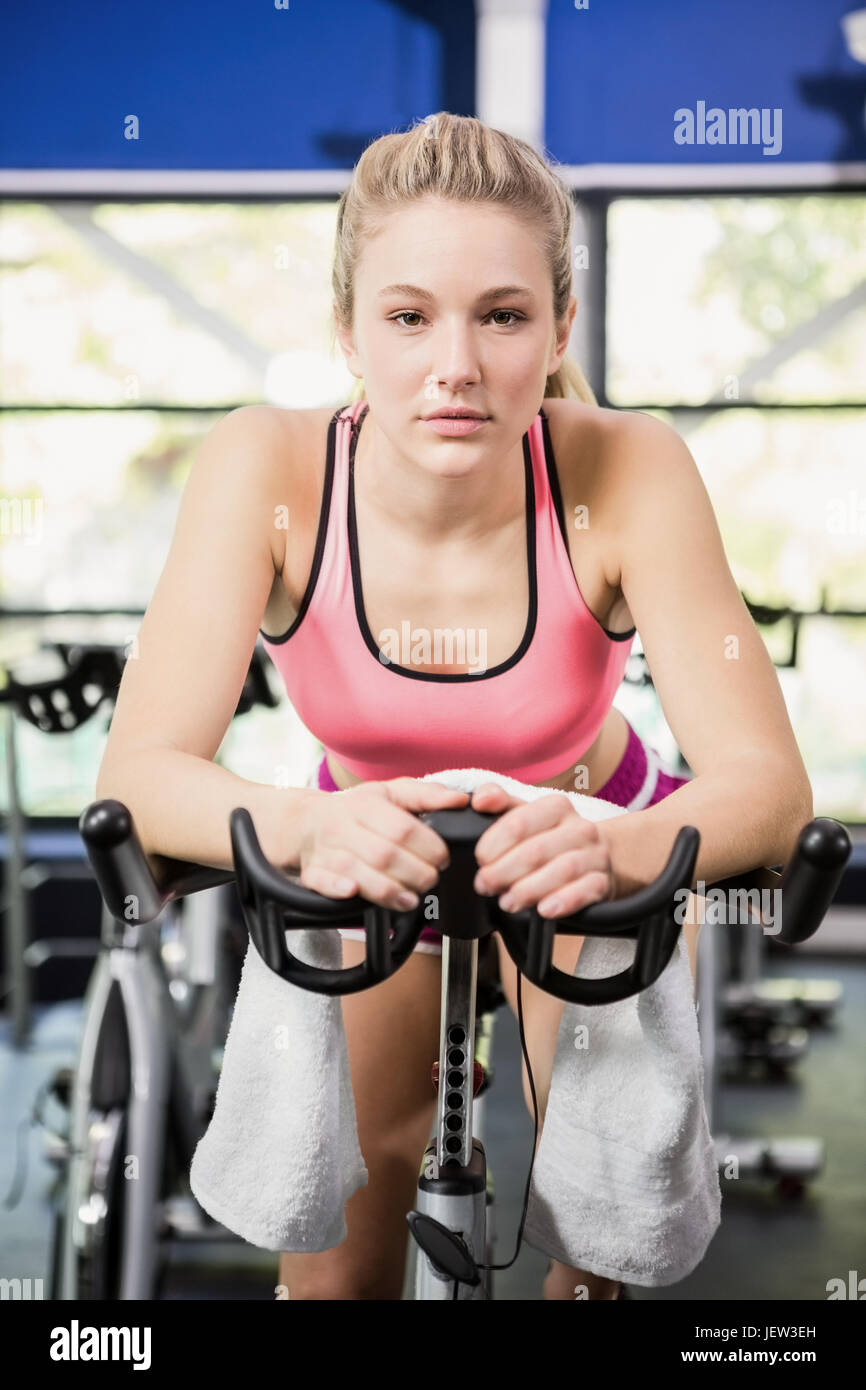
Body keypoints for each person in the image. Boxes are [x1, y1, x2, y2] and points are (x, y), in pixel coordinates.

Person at [95, 111, 814, 1301]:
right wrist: (301, 824)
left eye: (502, 315)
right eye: (408, 314)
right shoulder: (265, 468)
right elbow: (140, 773)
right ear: (346, 329)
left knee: (601, 1231)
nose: (456, 367)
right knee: (335, 1263)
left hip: (586, 839)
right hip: (365, 849)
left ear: (557, 326)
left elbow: (767, 790)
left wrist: (614, 845)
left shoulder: (627, 467)